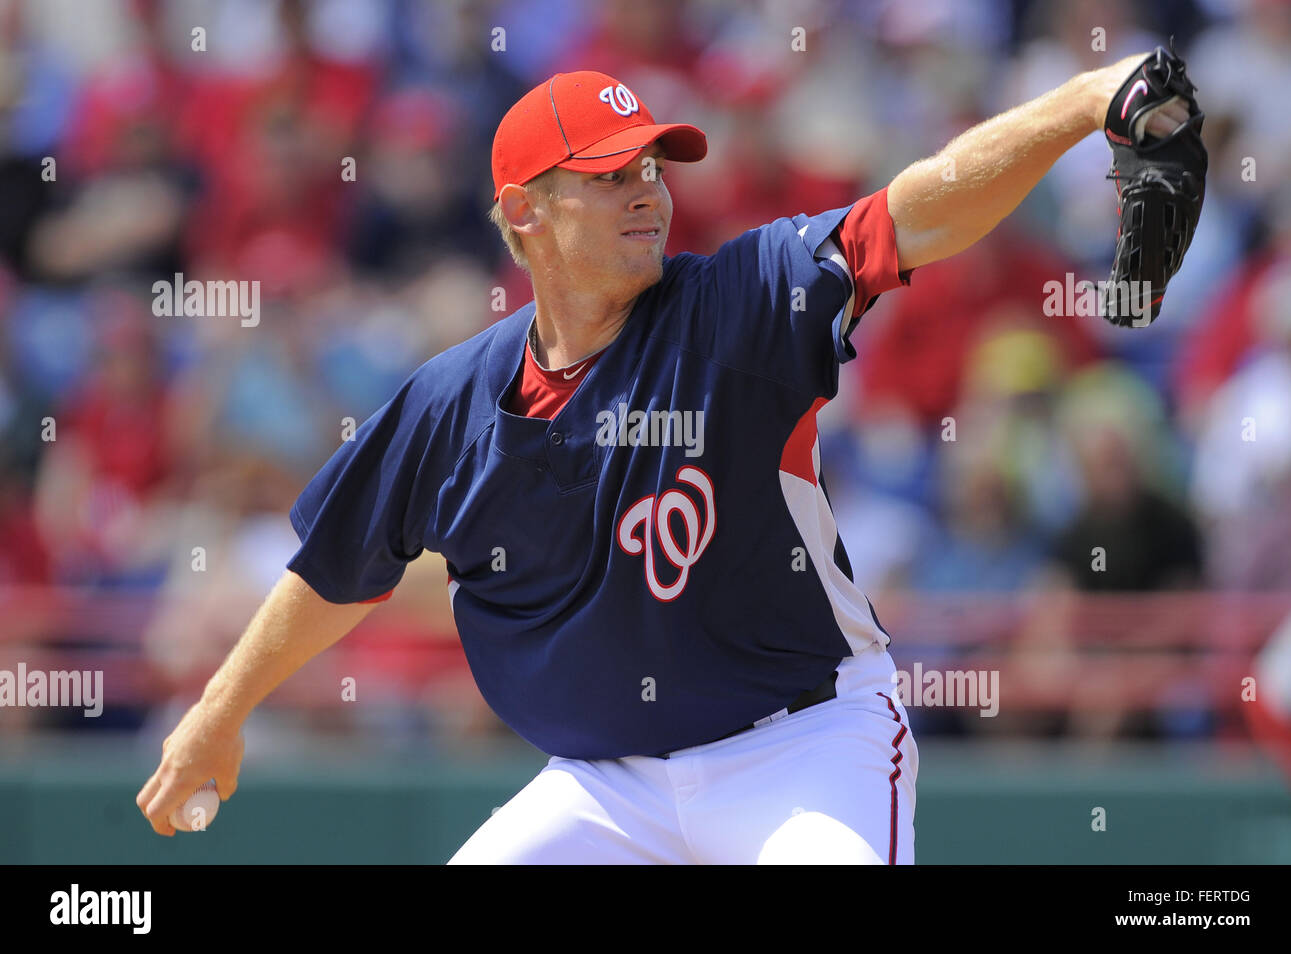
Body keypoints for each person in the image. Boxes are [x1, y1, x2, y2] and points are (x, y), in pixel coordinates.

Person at [138, 61, 1190, 864]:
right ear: (522, 212)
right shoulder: (449, 399)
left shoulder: (736, 304)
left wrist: (1088, 99)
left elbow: (911, 214)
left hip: (799, 747)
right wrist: (218, 715)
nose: (646, 190)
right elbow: (334, 571)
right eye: (606, 176)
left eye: (650, 167)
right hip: (605, 784)